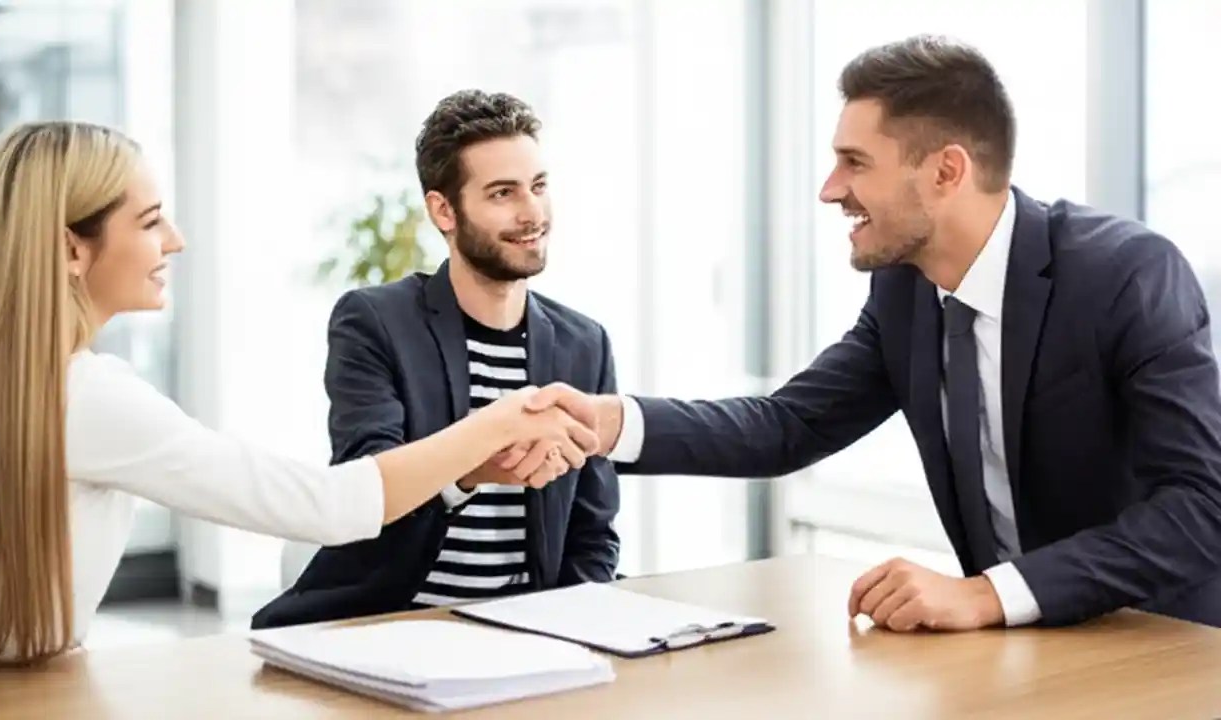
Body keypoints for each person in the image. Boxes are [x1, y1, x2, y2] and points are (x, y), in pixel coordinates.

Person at [519, 34, 1221, 632]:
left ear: (947, 170)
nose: (830, 188)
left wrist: (984, 594)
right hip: (1022, 649)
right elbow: (789, 425)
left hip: (1165, 642)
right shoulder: (905, 292)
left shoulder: (1125, 274)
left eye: (855, 162)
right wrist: (612, 424)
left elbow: (1199, 509)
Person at [0, 121, 596, 671]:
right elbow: (334, 505)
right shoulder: (90, 398)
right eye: (149, 221)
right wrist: (504, 418)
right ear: (69, 250)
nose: (174, 239)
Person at [251, 90, 621, 629]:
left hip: (530, 635)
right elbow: (366, 487)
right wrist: (470, 467)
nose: (532, 212)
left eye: (538, 187)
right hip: (393, 626)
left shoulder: (585, 343)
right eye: (502, 193)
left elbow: (593, 532)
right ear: (443, 210)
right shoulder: (374, 322)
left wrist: (575, 636)